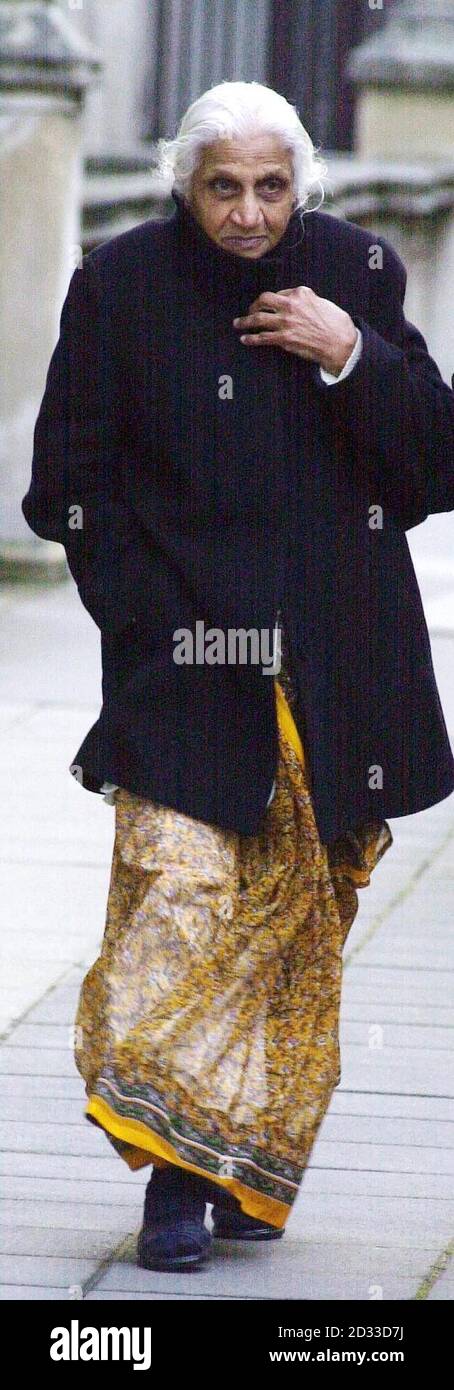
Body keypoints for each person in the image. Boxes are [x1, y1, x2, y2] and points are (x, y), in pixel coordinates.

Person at [22, 81, 454, 1275]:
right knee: (182, 914)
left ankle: (243, 1165)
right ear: (183, 184)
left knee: (295, 933)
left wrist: (349, 355)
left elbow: (430, 465)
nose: (249, 213)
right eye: (224, 187)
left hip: (338, 672)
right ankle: (171, 1182)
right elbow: (64, 484)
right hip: (186, 670)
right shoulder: (118, 286)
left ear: (301, 186)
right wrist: (154, 623)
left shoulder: (357, 271)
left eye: (272, 187)